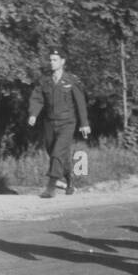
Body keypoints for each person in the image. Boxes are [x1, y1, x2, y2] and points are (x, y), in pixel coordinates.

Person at [27, 49, 91, 197]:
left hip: (67, 123)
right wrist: (33, 114)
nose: (51, 62)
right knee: (54, 153)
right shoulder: (45, 81)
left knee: (57, 152)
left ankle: (50, 188)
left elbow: (80, 103)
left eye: (55, 60)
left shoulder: (71, 80)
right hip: (49, 122)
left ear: (62, 61)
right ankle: (70, 180)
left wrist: (84, 123)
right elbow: (37, 98)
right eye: (50, 60)